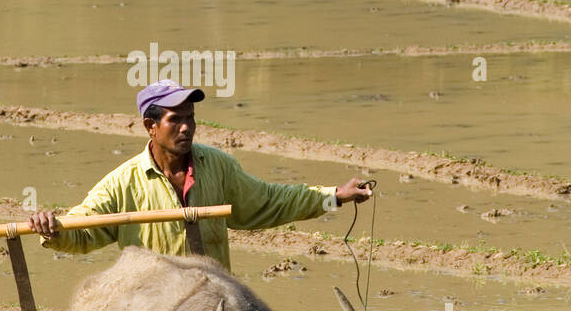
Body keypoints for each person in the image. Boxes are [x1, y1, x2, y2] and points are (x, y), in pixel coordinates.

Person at [28, 81, 372, 270]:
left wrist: (333, 196)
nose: (186, 127)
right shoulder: (124, 182)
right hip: (152, 308)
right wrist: (53, 228)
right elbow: (83, 228)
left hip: (213, 302)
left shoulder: (218, 166)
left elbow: (268, 201)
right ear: (151, 126)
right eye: (175, 120)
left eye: (190, 118)